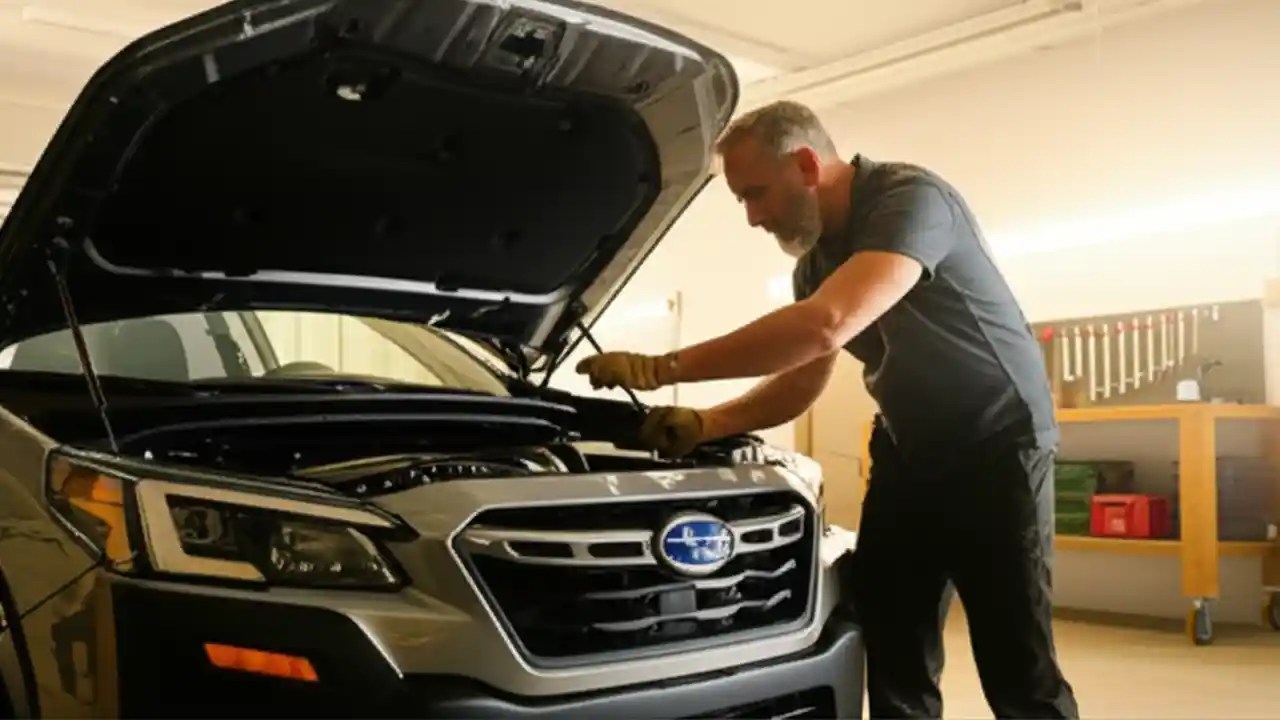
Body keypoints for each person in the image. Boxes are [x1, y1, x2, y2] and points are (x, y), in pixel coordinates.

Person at [574, 100, 1080, 719]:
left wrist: (662, 368)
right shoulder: (815, 263)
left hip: (998, 442)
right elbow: (801, 384)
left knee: (1016, 662)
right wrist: (710, 423)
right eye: (743, 202)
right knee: (893, 642)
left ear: (808, 164)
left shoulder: (909, 199)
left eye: (757, 194)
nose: (755, 218)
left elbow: (825, 326)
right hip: (908, 452)